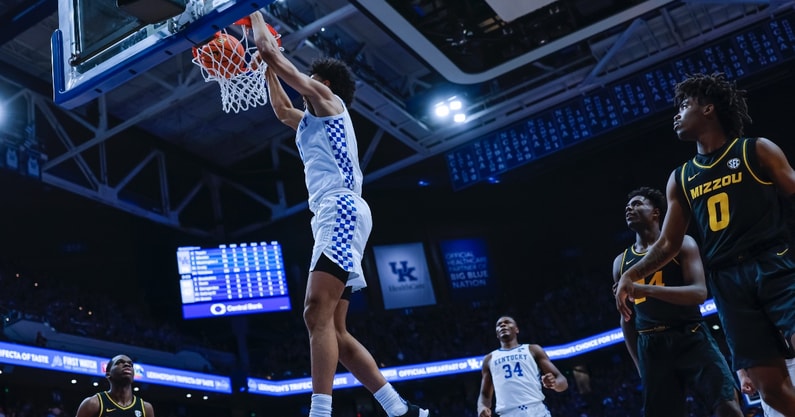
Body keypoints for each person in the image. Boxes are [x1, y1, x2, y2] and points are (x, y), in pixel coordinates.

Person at [248, 11, 429, 417]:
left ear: (324, 84)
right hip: (336, 214)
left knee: (315, 312)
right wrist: (267, 69)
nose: (307, 83)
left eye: (312, 78)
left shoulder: (329, 103)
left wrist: (254, 15)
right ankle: (400, 410)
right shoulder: (310, 123)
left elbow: (273, 55)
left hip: (341, 208)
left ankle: (320, 412)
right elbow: (280, 110)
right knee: (335, 328)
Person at [614, 72, 795, 415]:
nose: (676, 113)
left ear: (709, 108)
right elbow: (668, 243)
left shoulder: (755, 149)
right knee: (770, 390)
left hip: (773, 263)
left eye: (684, 105)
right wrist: (630, 275)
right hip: (726, 281)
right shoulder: (681, 177)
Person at [612, 186, 742, 417]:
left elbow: (699, 293)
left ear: (656, 213)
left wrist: (645, 289)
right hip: (651, 346)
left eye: (637, 204)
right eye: (627, 207)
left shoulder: (683, 243)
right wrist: (639, 364)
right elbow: (626, 319)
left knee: (728, 405)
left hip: (690, 334)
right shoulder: (620, 263)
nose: (629, 208)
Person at [477, 315, 568, 417]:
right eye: (499, 325)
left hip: (537, 411)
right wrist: (482, 407)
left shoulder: (533, 350)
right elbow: (484, 394)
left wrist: (555, 383)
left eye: (507, 322)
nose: (502, 325)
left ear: (516, 329)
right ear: (497, 335)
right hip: (508, 413)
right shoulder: (489, 359)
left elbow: (562, 381)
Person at [75, 354, 155, 417]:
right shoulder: (93, 403)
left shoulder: (145, 408)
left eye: (130, 364)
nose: (127, 365)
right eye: (119, 362)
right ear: (108, 375)